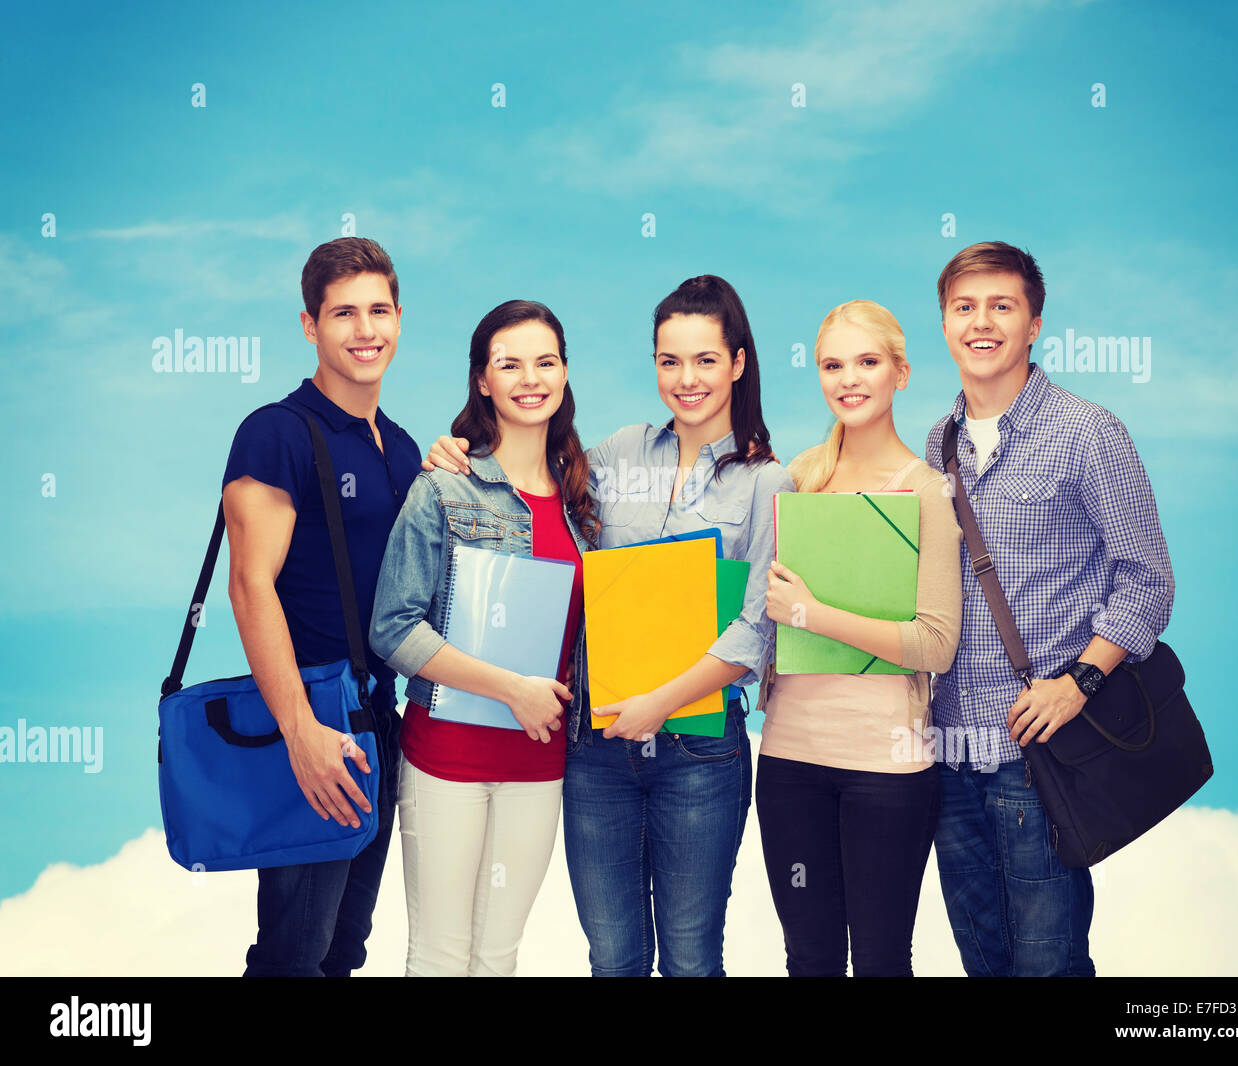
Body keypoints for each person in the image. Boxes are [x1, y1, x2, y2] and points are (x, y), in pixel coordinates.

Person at [427, 275, 794, 976]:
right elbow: (527, 483)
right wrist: (455, 453)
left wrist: (662, 703)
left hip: (701, 751)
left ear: (739, 363)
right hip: (596, 752)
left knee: (689, 957)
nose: (686, 379)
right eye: (669, 361)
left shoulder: (766, 484)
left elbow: (757, 629)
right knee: (614, 957)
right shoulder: (619, 453)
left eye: (706, 360)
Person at [924, 240, 1175, 977]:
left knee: (1050, 966)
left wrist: (1079, 683)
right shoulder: (936, 446)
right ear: (944, 323)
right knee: (985, 964)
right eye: (964, 308)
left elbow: (1148, 582)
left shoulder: (1089, 432)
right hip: (947, 756)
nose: (982, 323)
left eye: (1002, 306)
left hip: (1041, 758)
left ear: (1034, 324)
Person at [369, 300, 597, 977]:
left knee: (497, 959)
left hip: (541, 763)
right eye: (510, 364)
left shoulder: (589, 501)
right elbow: (393, 628)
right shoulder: (444, 486)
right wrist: (511, 690)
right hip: (446, 759)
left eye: (546, 362)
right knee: (440, 957)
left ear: (564, 373)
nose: (530, 378)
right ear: (482, 381)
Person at [222, 237, 423, 976]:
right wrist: (300, 729)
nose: (364, 330)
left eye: (378, 311)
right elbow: (250, 586)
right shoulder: (275, 433)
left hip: (380, 726)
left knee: (341, 952)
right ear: (310, 326)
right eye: (343, 313)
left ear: (400, 318)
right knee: (290, 957)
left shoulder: (400, 449)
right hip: (312, 723)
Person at [759, 299, 962, 977]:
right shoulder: (797, 479)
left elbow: (936, 644)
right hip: (789, 760)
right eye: (833, 365)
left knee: (880, 961)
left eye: (868, 362)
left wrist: (811, 614)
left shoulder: (930, 493)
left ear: (900, 373)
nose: (849, 379)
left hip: (889, 769)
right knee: (809, 959)